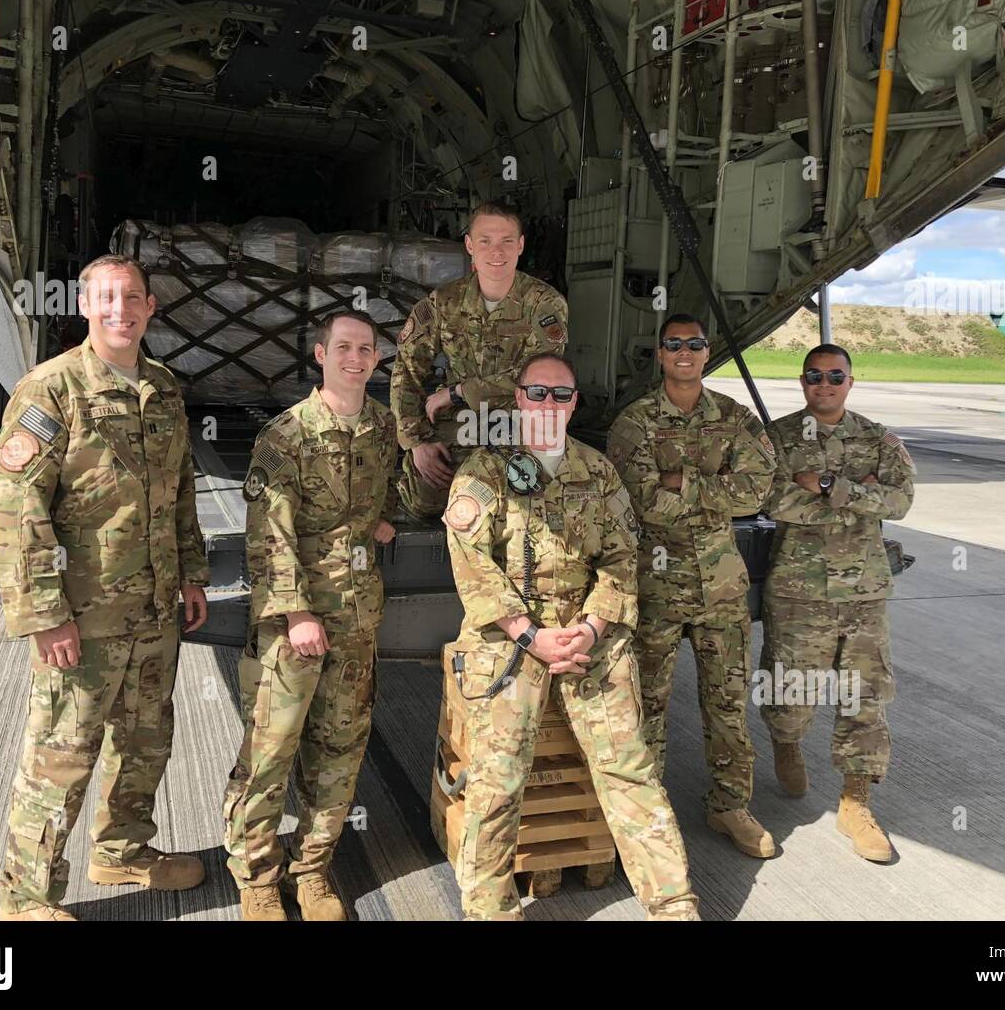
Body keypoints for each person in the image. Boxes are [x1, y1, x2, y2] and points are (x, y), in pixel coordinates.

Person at [443, 352, 699, 920]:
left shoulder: (597, 469)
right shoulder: (485, 471)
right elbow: (472, 562)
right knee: (498, 778)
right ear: (519, 398)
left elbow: (621, 556)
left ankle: (674, 906)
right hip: (508, 640)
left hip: (589, 639)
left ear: (574, 402)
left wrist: (590, 627)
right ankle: (489, 910)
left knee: (629, 770)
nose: (549, 405)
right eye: (538, 393)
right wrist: (530, 634)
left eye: (561, 395)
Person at [0, 253, 209, 921]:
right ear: (85, 307)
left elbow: (180, 492)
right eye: (106, 298)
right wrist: (44, 614)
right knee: (61, 756)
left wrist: (194, 572)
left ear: (149, 306)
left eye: (133, 297)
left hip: (152, 609)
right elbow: (16, 507)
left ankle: (121, 850)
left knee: (144, 742)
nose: (121, 309)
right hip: (81, 619)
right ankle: (26, 897)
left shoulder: (163, 389)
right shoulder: (50, 390)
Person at [222, 310, 398, 921]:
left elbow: (388, 490)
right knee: (271, 749)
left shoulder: (382, 427)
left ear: (377, 359)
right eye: (343, 347)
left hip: (356, 616)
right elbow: (267, 533)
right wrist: (297, 612)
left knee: (341, 748)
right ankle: (258, 878)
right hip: (294, 622)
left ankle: (313, 871)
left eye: (366, 349)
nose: (356, 358)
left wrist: (381, 519)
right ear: (320, 356)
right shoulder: (286, 436)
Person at [607, 314, 778, 857]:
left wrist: (681, 481)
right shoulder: (633, 422)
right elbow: (636, 501)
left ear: (707, 352)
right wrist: (710, 490)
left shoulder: (734, 417)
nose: (685, 352)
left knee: (727, 704)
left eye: (695, 344)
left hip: (721, 590)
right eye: (673, 344)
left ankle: (729, 806)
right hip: (655, 587)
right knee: (646, 705)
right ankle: (649, 815)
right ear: (659, 354)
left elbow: (756, 492)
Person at [761, 344, 915, 862]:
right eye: (814, 376)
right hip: (797, 590)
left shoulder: (876, 438)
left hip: (864, 592)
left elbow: (901, 500)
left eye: (834, 375)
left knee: (865, 696)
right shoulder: (779, 438)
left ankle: (856, 800)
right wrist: (856, 499)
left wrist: (829, 485)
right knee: (790, 690)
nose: (823, 384)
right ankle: (786, 743)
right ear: (802, 381)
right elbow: (770, 498)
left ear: (850, 381)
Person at [391, 202, 568, 519]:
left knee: (527, 508)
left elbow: (541, 378)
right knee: (425, 500)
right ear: (470, 245)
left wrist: (458, 391)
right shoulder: (443, 303)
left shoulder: (544, 303)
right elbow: (407, 370)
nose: (496, 252)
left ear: (521, 245)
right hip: (461, 425)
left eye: (507, 241)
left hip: (520, 427)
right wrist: (416, 442)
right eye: (485, 241)